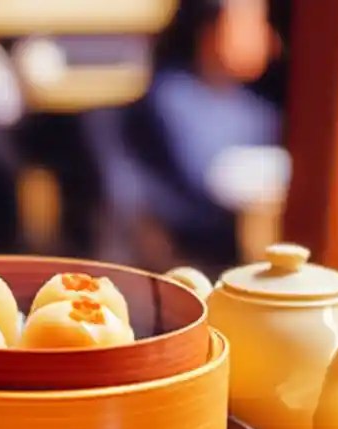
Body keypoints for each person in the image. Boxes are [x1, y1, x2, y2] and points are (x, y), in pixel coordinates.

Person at [121, 0, 283, 271]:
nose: (267, 36)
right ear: (209, 31)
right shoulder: (169, 101)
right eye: (248, 26)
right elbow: (203, 183)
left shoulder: (260, 112)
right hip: (185, 261)